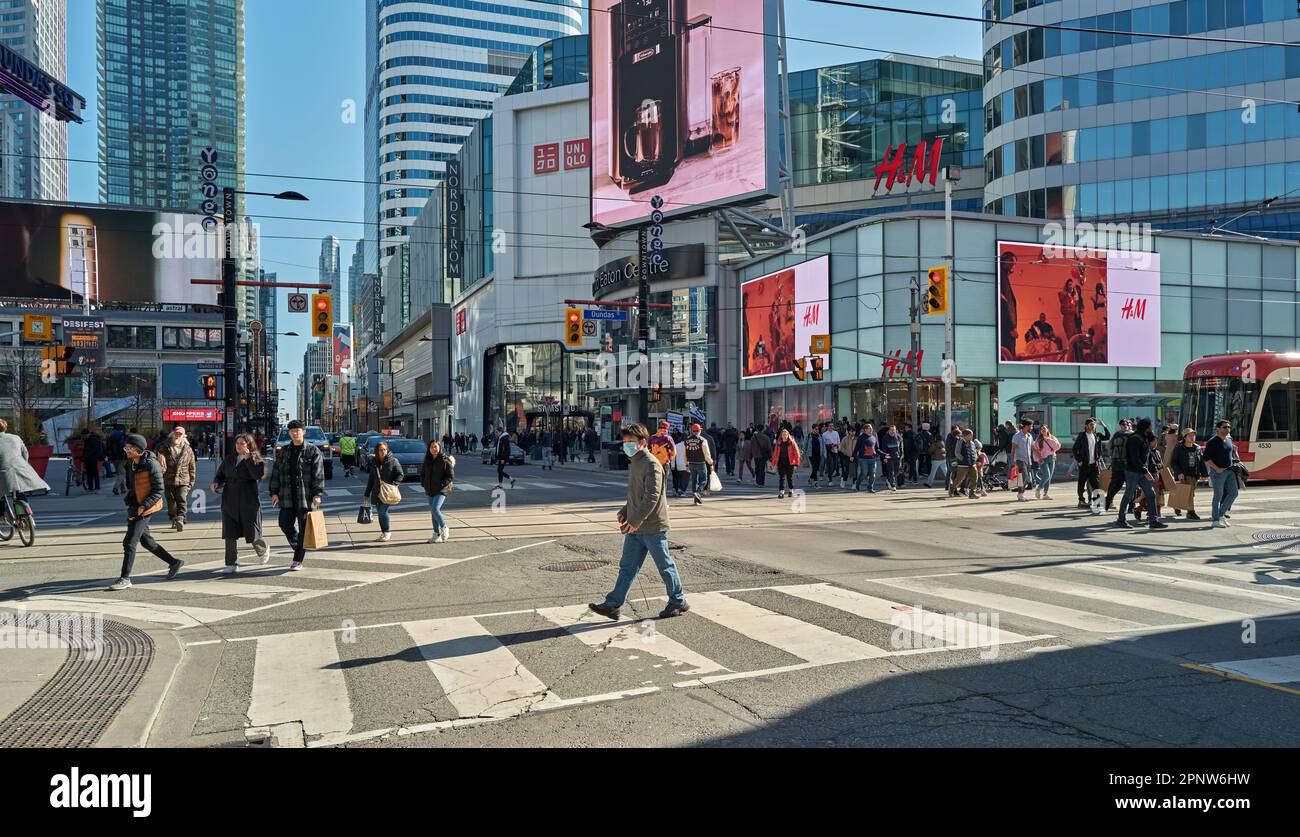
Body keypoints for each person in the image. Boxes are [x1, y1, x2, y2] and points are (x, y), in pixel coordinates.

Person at [588, 423, 688, 621]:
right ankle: (613, 604)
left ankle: (678, 600)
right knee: (627, 566)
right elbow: (636, 494)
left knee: (664, 564)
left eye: (631, 442)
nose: (627, 445)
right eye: (625, 441)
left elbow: (652, 496)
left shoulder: (651, 464)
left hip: (652, 526)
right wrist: (625, 511)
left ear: (643, 442)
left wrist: (633, 519)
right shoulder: (635, 461)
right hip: (636, 525)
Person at [106, 434, 184, 590]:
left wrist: (144, 506)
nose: (126, 450)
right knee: (146, 541)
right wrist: (130, 501)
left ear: (138, 450)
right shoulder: (132, 463)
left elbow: (158, 490)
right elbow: (134, 487)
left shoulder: (151, 464)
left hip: (146, 507)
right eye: (126, 447)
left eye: (129, 448)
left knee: (129, 542)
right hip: (135, 505)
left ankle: (125, 578)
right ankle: (174, 562)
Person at [268, 420, 324, 570]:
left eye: (297, 430)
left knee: (304, 527)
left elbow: (318, 474)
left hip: (305, 497)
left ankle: (298, 560)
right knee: (284, 523)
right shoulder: (284, 451)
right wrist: (274, 493)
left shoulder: (312, 451)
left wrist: (317, 493)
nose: (295, 433)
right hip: (286, 495)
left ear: (303, 432)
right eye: (292, 431)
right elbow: (276, 473)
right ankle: (299, 545)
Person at [211, 433, 269, 573]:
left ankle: (262, 550)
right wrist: (216, 482)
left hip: (248, 499)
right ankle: (231, 563)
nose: (239, 446)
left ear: (249, 445)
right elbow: (220, 474)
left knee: (251, 530)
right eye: (237, 443)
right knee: (230, 532)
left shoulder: (257, 459)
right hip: (230, 499)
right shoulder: (229, 459)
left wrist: (248, 459)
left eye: (242, 443)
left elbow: (257, 476)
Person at [1115, 419, 1167, 530]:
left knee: (1151, 494)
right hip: (1132, 472)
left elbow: (1149, 456)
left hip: (1142, 472)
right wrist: (1146, 471)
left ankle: (1153, 520)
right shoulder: (1134, 439)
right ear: (1146, 427)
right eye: (1150, 426)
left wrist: (1154, 471)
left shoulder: (1144, 438)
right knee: (1128, 495)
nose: (1152, 428)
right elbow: (1135, 459)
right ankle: (1121, 519)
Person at [0, 417, 51, 501]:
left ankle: (2, 513)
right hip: (21, 469)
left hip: (3, 472)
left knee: (1, 495)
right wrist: (24, 465)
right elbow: (25, 453)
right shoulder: (15, 437)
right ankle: (26, 509)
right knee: (19, 493)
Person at [158, 425, 196, 532]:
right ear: (172, 434)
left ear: (184, 436)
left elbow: (192, 466)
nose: (177, 435)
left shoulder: (188, 449)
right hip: (168, 479)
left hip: (183, 479)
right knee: (171, 501)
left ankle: (181, 517)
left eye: (180, 434)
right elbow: (158, 459)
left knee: (181, 498)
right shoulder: (164, 447)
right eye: (176, 433)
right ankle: (173, 518)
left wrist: (192, 480)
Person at [364, 440, 403, 543]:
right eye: (380, 450)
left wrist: (394, 484)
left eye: (384, 449)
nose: (383, 452)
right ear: (377, 451)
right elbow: (371, 479)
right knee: (380, 513)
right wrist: (366, 493)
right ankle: (383, 532)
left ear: (387, 450)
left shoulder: (393, 461)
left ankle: (387, 532)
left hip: (387, 492)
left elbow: (400, 474)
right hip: (377, 492)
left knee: (383, 511)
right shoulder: (374, 462)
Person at [1205, 419, 1240, 528]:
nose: (1228, 429)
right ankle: (1215, 520)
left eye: (1229, 427)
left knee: (1234, 493)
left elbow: (1232, 454)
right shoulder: (1212, 442)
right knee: (1218, 496)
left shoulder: (1229, 440)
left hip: (1230, 471)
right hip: (1218, 472)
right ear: (1218, 429)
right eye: (1225, 427)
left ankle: (1220, 515)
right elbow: (1206, 459)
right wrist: (1217, 468)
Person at [419, 439, 455, 544]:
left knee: (435, 509)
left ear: (439, 448)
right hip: (429, 489)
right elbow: (422, 473)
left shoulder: (444, 460)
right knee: (433, 512)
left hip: (440, 490)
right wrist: (423, 483)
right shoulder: (427, 460)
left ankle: (444, 527)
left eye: (436, 447)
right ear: (429, 449)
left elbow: (450, 476)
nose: (434, 449)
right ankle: (436, 534)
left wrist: (442, 484)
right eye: (431, 447)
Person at [1072, 418, 1110, 509]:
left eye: (1094, 425)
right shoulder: (1082, 436)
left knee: (1095, 484)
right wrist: (1079, 460)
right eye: (1091, 424)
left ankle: (1097, 501)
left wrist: (1104, 426)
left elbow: (1108, 436)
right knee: (1082, 483)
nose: (1093, 426)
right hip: (1084, 464)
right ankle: (1081, 500)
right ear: (1086, 426)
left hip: (1094, 465)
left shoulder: (1097, 435)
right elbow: (1074, 449)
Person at [1170, 428, 1204, 521]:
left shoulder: (1197, 447)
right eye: (1190, 436)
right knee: (1189, 494)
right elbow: (1174, 462)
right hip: (1184, 474)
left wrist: (1204, 473)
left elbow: (1201, 461)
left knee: (1188, 493)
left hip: (1194, 474)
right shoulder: (1179, 448)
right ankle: (1191, 512)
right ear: (1184, 437)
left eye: (1193, 435)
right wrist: (1179, 472)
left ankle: (1177, 505)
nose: (1192, 437)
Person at [1104, 419, 1134, 512]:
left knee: (1132, 486)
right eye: (1124, 424)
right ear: (1120, 425)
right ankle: (1107, 502)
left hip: (1128, 464)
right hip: (1118, 464)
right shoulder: (1117, 435)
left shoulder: (1133, 435)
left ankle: (1131, 506)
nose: (1126, 426)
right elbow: (1109, 448)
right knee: (1116, 485)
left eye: (1128, 424)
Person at [683, 423, 714, 506]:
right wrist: (711, 463)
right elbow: (707, 454)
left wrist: (686, 464)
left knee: (693, 480)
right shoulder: (703, 440)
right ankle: (698, 492)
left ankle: (695, 499)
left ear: (692, 431)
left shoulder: (687, 440)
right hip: (701, 463)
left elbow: (685, 454)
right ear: (700, 430)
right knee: (704, 480)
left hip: (691, 463)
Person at [1031, 425, 1061, 500]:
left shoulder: (1052, 437)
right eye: (1041, 429)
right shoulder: (1039, 439)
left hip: (1052, 458)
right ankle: (1039, 488)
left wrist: (1048, 439)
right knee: (1046, 475)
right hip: (1043, 459)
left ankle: (1045, 494)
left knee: (1049, 477)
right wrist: (1038, 458)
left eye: (1044, 428)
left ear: (1047, 429)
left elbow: (1057, 446)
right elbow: (1035, 450)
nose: (1043, 430)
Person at [771, 427, 801, 499]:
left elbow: (797, 453)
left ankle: (791, 490)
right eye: (783, 434)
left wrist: (796, 463)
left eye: (785, 434)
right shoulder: (778, 443)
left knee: (789, 477)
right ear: (781, 435)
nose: (784, 436)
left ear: (788, 435)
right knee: (781, 477)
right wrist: (773, 463)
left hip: (790, 462)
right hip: (781, 462)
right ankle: (781, 492)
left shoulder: (791, 442)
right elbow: (775, 453)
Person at [1010, 419, 1035, 501]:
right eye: (1031, 426)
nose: (1032, 427)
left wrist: (1038, 456)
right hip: (1019, 459)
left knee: (1025, 478)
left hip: (1028, 460)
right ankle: (1020, 494)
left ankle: (1021, 493)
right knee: (1024, 476)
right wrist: (1013, 459)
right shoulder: (1017, 436)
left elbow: (1032, 447)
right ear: (1026, 426)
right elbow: (1013, 449)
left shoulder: (1029, 436)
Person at [952, 429, 979, 499]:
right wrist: (962, 459)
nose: (972, 436)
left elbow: (975, 452)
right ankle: (952, 488)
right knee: (959, 479)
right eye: (970, 435)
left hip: (972, 464)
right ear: (966, 435)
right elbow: (957, 452)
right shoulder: (960, 441)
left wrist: (975, 459)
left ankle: (972, 493)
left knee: (975, 478)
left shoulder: (972, 443)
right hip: (963, 465)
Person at [853, 423, 879, 492]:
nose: (871, 430)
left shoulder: (874, 437)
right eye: (869, 428)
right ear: (865, 430)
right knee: (864, 473)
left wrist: (883, 454)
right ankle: (857, 483)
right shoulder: (861, 437)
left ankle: (870, 488)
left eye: (871, 428)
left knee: (872, 474)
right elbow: (857, 448)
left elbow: (877, 449)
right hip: (863, 459)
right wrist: (853, 456)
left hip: (873, 459)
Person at [880, 425, 903, 492]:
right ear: (889, 431)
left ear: (896, 431)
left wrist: (901, 456)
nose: (892, 431)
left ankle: (888, 480)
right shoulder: (885, 438)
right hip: (889, 457)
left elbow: (901, 448)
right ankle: (893, 485)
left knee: (897, 471)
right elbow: (883, 448)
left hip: (897, 457)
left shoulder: (898, 437)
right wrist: (884, 457)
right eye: (891, 430)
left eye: (894, 430)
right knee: (891, 471)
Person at [81, 428, 104, 493]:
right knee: (89, 473)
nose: (83, 437)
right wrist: (84, 456)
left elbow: (96, 449)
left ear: (87, 434)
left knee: (94, 473)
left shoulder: (94, 439)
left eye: (84, 435)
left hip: (93, 458)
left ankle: (96, 488)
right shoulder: (87, 439)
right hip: (88, 458)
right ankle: (90, 488)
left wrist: (93, 456)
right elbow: (85, 449)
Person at [806, 422, 823, 488]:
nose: (817, 430)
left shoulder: (820, 436)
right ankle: (815, 483)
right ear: (812, 429)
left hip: (818, 454)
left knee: (816, 468)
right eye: (816, 429)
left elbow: (823, 445)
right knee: (815, 468)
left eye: (818, 429)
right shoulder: (809, 436)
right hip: (811, 454)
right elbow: (805, 446)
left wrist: (824, 453)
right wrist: (802, 454)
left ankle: (810, 479)